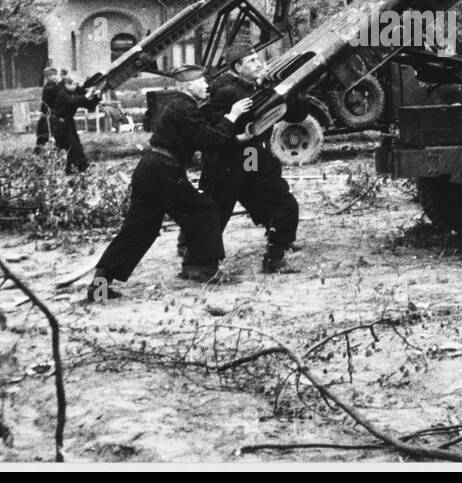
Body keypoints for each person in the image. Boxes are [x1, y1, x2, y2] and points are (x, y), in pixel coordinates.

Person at [86, 65, 254, 301]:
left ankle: (99, 287)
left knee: (138, 229)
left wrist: (238, 138)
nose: (207, 85)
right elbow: (208, 140)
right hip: (165, 170)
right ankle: (204, 269)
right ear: (188, 86)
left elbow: (205, 136)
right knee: (205, 210)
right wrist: (232, 116)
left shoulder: (181, 106)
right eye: (202, 81)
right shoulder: (184, 106)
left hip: (150, 169)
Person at [201, 39, 302, 274]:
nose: (260, 63)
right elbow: (206, 124)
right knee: (216, 212)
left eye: (258, 59)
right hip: (228, 160)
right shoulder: (228, 92)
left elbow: (295, 113)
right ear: (238, 68)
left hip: (250, 155)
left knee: (278, 200)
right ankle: (201, 265)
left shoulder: (251, 88)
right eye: (252, 61)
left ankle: (275, 255)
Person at [47, 73, 99, 173]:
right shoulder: (61, 93)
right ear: (67, 84)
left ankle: (81, 168)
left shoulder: (74, 92)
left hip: (68, 122)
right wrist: (87, 95)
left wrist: (97, 96)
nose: (77, 86)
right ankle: (68, 169)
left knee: (76, 145)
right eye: (75, 84)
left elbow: (88, 105)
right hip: (58, 123)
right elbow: (72, 101)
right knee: (66, 146)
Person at [35, 67, 60, 153]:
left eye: (56, 75)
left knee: (44, 140)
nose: (55, 77)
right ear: (48, 77)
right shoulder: (50, 87)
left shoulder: (53, 86)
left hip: (49, 117)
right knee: (46, 138)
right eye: (52, 75)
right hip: (49, 118)